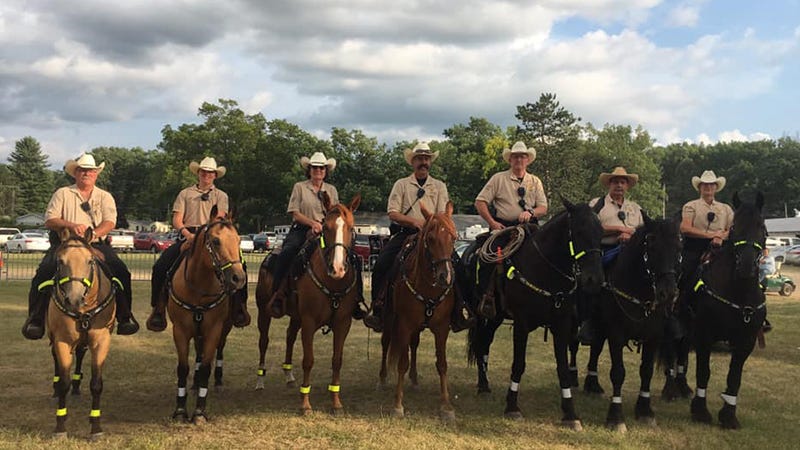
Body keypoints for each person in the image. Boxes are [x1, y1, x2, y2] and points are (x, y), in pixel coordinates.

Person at [21, 153, 139, 339]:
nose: (86, 173)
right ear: (75, 173)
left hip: (96, 244)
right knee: (44, 271)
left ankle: (125, 316)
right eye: (82, 170)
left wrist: (94, 234)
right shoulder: (63, 193)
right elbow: (50, 220)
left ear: (96, 174)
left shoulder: (105, 196)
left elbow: (110, 222)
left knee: (121, 272)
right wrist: (71, 225)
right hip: (65, 244)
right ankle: (35, 318)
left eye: (90, 171)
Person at [364, 142, 474, 333]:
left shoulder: (439, 186)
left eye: (426, 158)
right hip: (406, 233)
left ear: (430, 162)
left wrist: (432, 225)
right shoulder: (402, 184)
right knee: (382, 263)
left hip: (433, 235)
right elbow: (393, 213)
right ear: (412, 162)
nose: (423, 162)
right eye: (419, 159)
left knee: (458, 266)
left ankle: (460, 311)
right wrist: (414, 222)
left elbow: (442, 214)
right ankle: (379, 309)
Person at [146, 156, 249, 331]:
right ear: (198, 173)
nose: (206, 175)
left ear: (215, 175)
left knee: (241, 266)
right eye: (204, 172)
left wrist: (204, 235)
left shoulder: (221, 196)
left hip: (213, 237)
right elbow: (177, 219)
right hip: (188, 236)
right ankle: (158, 308)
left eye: (210, 173)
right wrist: (187, 234)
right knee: (161, 266)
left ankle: (239, 307)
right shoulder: (185, 194)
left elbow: (220, 218)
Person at [268, 151, 368, 319]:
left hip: (326, 231)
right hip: (302, 229)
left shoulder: (331, 190)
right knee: (288, 251)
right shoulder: (300, 187)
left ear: (325, 171)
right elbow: (295, 213)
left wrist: (326, 226)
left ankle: (356, 299)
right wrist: (312, 223)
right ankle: (278, 293)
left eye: (321, 168)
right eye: (315, 168)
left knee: (353, 257)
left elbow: (335, 213)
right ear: (310, 170)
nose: (318, 171)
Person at [578, 167, 644, 344]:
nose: (619, 185)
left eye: (623, 182)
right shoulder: (597, 204)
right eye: (616, 182)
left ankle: (653, 319)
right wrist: (619, 229)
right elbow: (589, 227)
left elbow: (643, 232)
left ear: (627, 186)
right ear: (609, 184)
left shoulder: (635, 208)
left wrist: (630, 236)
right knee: (592, 283)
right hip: (604, 250)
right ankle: (589, 322)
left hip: (631, 253)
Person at [474, 141, 547, 230]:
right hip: (504, 228)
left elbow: (543, 208)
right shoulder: (498, 178)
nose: (519, 160)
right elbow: (480, 202)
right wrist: (492, 222)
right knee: (489, 243)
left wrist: (530, 212)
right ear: (510, 160)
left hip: (530, 227)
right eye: (515, 157)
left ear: (527, 160)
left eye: (522, 157)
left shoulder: (535, 181)